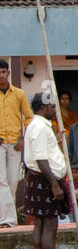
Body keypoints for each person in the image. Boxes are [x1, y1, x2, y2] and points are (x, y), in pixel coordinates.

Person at [23, 94, 69, 249]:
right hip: (44, 180)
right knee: (49, 225)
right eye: (52, 106)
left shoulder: (35, 125)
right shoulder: (40, 127)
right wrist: (54, 184)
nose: (55, 109)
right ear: (44, 107)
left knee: (40, 224)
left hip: (39, 178)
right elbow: (42, 158)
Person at [0, 59, 32, 228]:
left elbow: (29, 117)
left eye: (3, 72)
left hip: (15, 142)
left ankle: (5, 216)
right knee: (1, 181)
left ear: (8, 73)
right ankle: (8, 220)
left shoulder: (19, 94)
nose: (1, 76)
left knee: (13, 181)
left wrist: (23, 138)